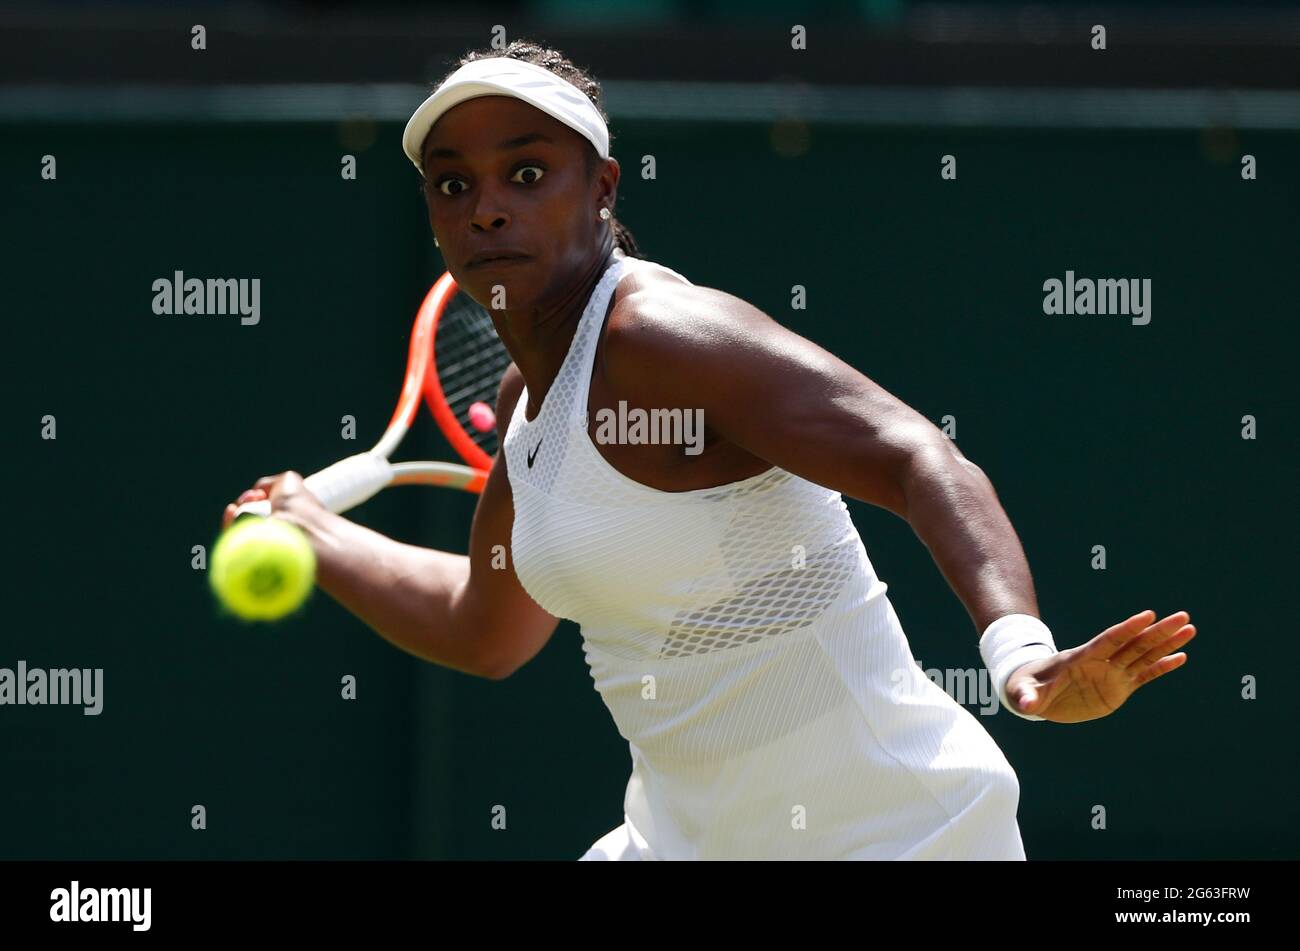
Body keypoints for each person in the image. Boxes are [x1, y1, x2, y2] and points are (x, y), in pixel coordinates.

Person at [223, 41, 1196, 860]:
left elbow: (914, 457)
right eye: (452, 184)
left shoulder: (667, 341)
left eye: (526, 173)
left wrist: (1018, 655)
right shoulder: (527, 410)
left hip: (898, 842)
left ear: (600, 187)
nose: (485, 208)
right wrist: (316, 535)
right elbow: (486, 628)